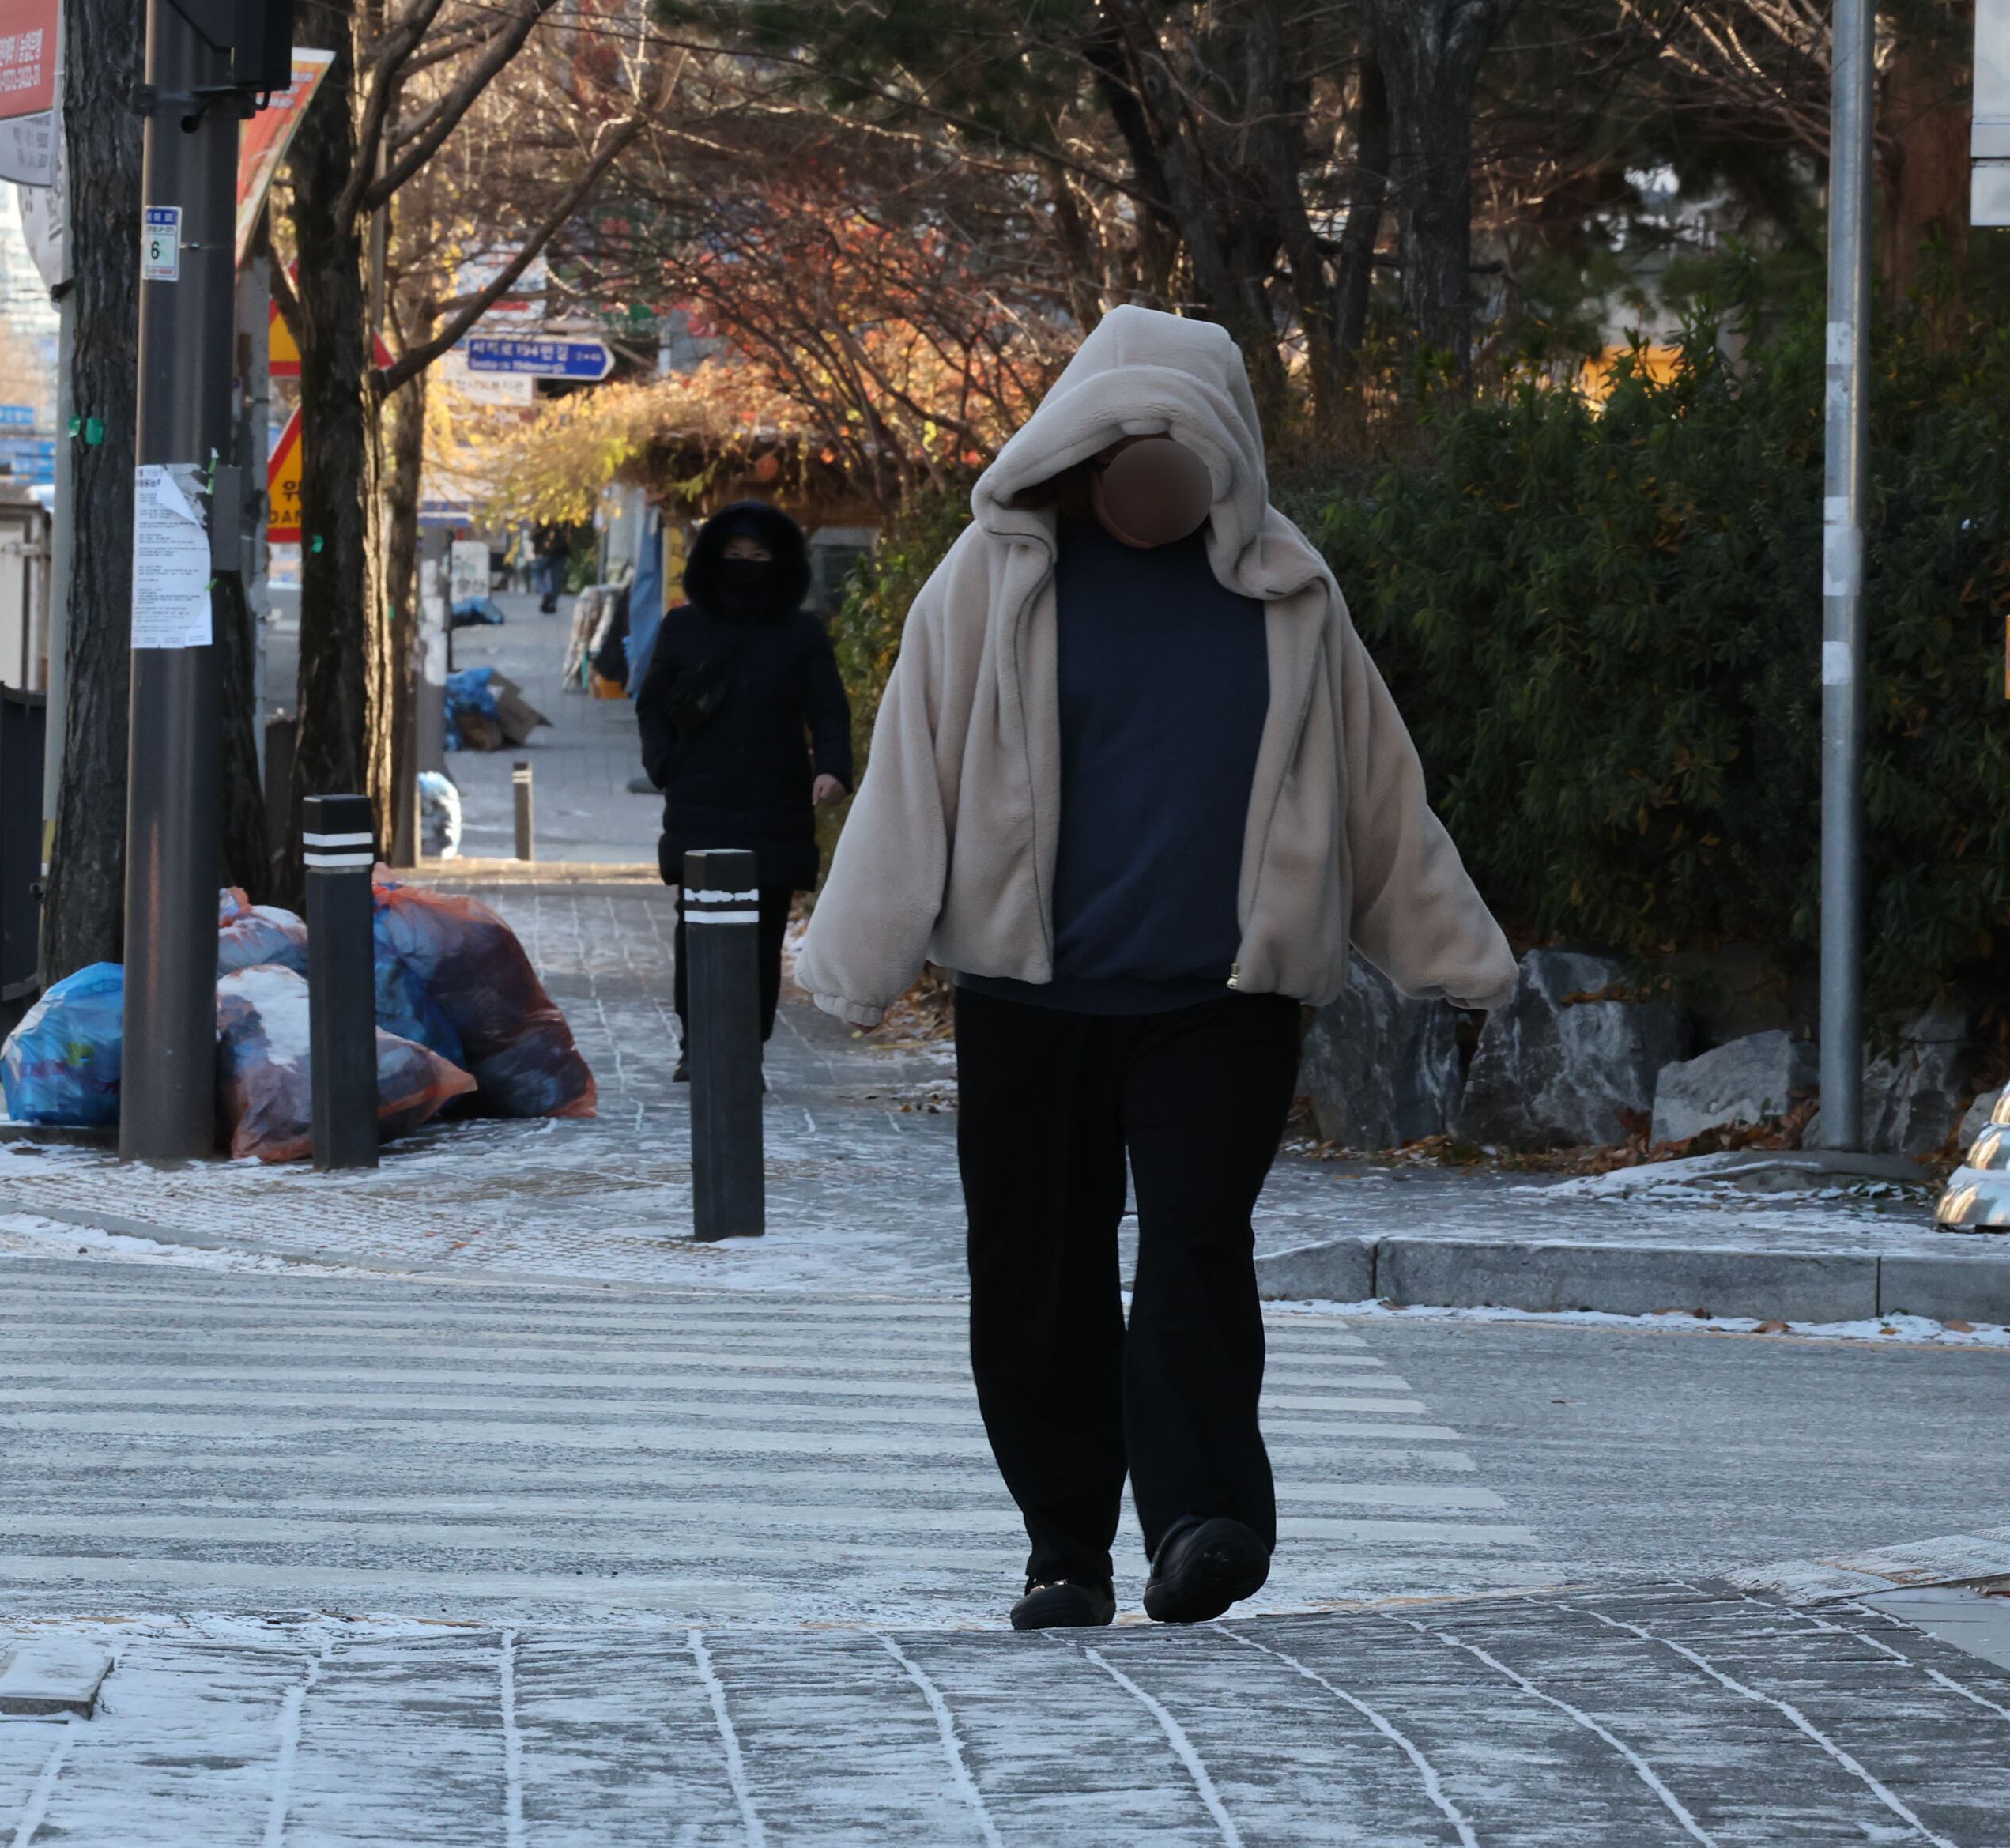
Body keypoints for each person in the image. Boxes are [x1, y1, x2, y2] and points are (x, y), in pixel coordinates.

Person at [793, 307, 1514, 1631]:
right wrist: (852, 961)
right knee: (1034, 1267)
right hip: (1026, 997)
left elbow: (1373, 793)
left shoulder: (1287, 594)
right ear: (1078, 455)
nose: (1150, 499)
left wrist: (1447, 953)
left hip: (1218, 999)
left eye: (1178, 479)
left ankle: (1203, 1520)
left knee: (1192, 1248)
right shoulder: (989, 578)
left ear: (1222, 468)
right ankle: (1063, 1545)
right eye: (1128, 473)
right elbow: (912, 774)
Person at [636, 501, 851, 1081]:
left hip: (778, 798)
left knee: (764, 929)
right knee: (699, 922)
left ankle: (746, 1048)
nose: (746, 566)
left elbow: (828, 710)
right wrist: (664, 763)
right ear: (712, 559)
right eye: (734, 555)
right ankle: (697, 1041)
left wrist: (831, 769)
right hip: (698, 796)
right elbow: (652, 702)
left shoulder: (801, 634)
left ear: (781, 564)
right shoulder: (683, 626)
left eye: (759, 556)